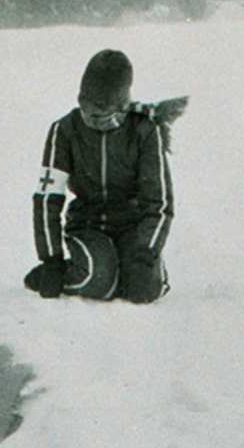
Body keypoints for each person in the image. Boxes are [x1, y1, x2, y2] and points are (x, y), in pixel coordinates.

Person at [27, 50, 185, 303]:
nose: (91, 120)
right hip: (88, 225)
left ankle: (138, 267)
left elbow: (160, 201)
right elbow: (47, 197)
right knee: (99, 283)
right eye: (85, 111)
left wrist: (146, 253)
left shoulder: (144, 130)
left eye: (100, 116)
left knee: (142, 291)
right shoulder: (64, 130)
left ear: (121, 106)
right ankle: (71, 269)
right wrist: (52, 259)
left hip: (130, 225)